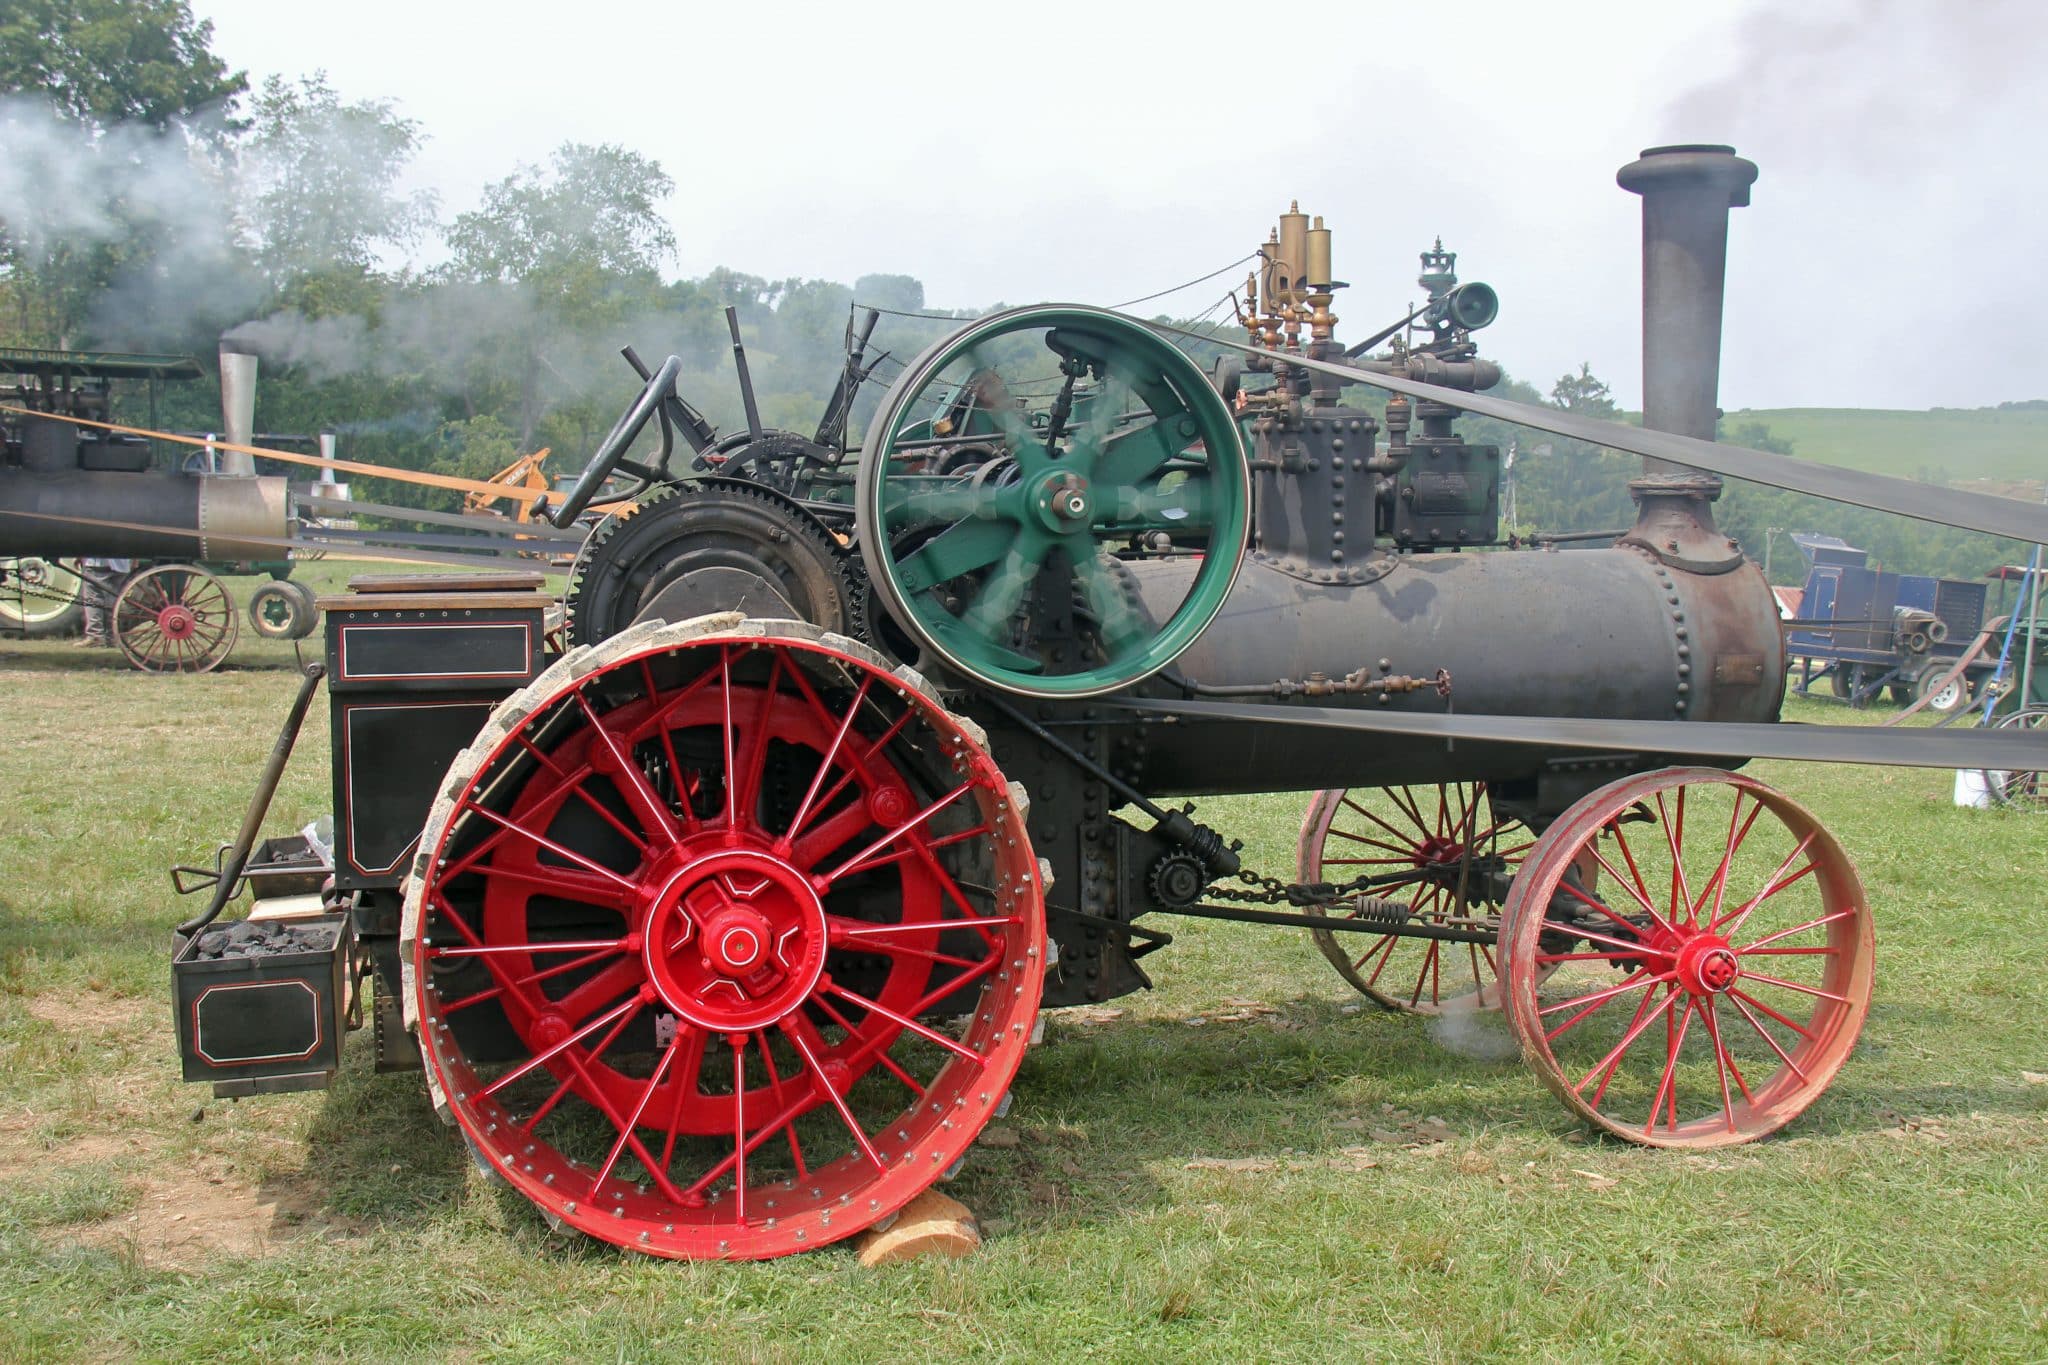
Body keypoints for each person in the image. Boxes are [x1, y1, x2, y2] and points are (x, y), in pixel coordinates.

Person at [76, 558, 133, 648]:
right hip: (122, 563)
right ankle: (113, 637)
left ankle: (95, 635)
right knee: (114, 599)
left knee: (93, 597)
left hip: (99, 562)